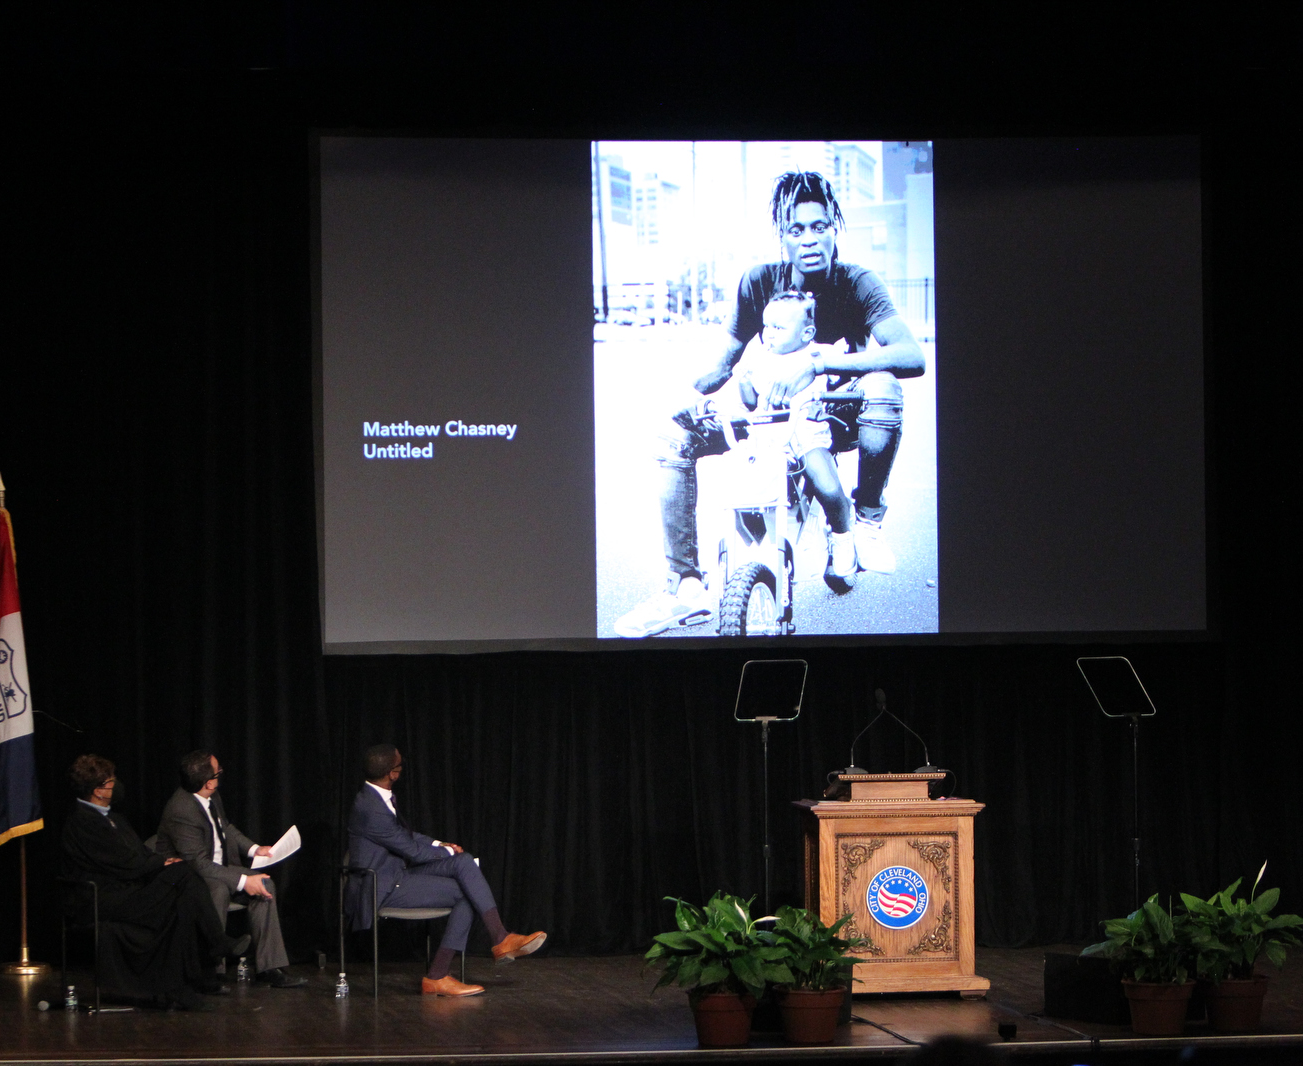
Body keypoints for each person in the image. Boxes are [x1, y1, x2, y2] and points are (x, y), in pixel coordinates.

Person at [615, 170, 925, 637]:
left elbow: (911, 355)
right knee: (673, 436)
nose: (809, 240)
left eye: (819, 226)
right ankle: (685, 588)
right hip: (770, 413)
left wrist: (819, 364)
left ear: (834, 227)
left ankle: (866, 519)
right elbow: (718, 367)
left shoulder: (858, 282)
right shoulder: (759, 282)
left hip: (833, 413)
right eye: (796, 230)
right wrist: (688, 395)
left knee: (884, 386)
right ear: (782, 236)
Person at [345, 744, 546, 996]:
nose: (401, 769)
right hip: (380, 886)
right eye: (399, 765)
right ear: (391, 774)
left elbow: (403, 835)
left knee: (465, 877)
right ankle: (453, 967)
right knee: (465, 880)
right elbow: (412, 851)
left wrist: (440, 844)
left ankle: (495, 942)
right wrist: (450, 852)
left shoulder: (372, 797)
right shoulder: (371, 808)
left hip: (395, 875)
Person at [59, 754, 248, 1010]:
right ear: (98, 791)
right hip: (103, 898)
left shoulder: (114, 818)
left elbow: (140, 853)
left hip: (127, 891)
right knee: (182, 877)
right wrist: (162, 863)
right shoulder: (83, 822)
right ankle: (213, 950)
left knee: (183, 895)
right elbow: (123, 861)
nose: (116, 786)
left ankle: (187, 982)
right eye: (110, 782)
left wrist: (160, 861)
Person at [730, 290, 859, 591]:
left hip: (806, 434)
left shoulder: (818, 356)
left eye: (778, 328)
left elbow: (844, 379)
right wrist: (745, 383)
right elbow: (750, 403)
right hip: (767, 436)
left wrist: (830, 397)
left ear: (807, 333)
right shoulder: (759, 358)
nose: (768, 334)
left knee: (825, 481)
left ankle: (842, 535)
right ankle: (757, 549)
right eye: (766, 326)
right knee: (740, 485)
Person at [156, 750, 305, 988]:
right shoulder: (181, 810)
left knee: (264, 883)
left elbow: (226, 827)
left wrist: (254, 849)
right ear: (208, 781)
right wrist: (244, 881)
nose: (220, 775)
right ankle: (212, 970)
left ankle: (269, 967)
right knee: (218, 889)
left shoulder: (211, 797)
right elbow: (198, 864)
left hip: (219, 868)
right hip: (191, 877)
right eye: (218, 772)